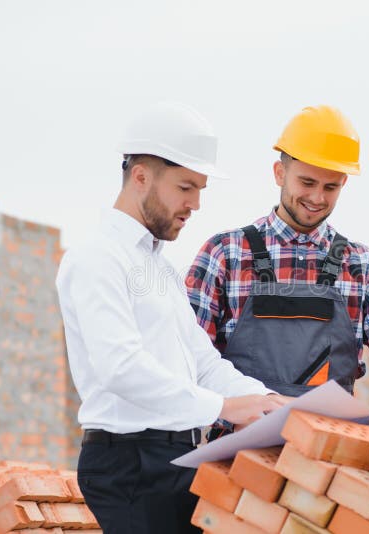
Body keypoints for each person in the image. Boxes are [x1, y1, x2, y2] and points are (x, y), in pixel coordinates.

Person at [56, 102, 283, 533]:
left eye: (200, 189)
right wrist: (224, 407)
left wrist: (267, 402)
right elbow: (119, 367)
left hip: (176, 459)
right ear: (140, 175)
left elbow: (204, 364)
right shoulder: (96, 259)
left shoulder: (161, 270)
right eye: (185, 187)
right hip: (128, 464)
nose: (195, 203)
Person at [185, 105, 369, 434]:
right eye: (307, 182)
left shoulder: (361, 266)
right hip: (235, 456)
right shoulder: (225, 254)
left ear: (343, 183)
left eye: (330, 188)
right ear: (279, 173)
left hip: (328, 456)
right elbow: (186, 355)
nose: (317, 197)